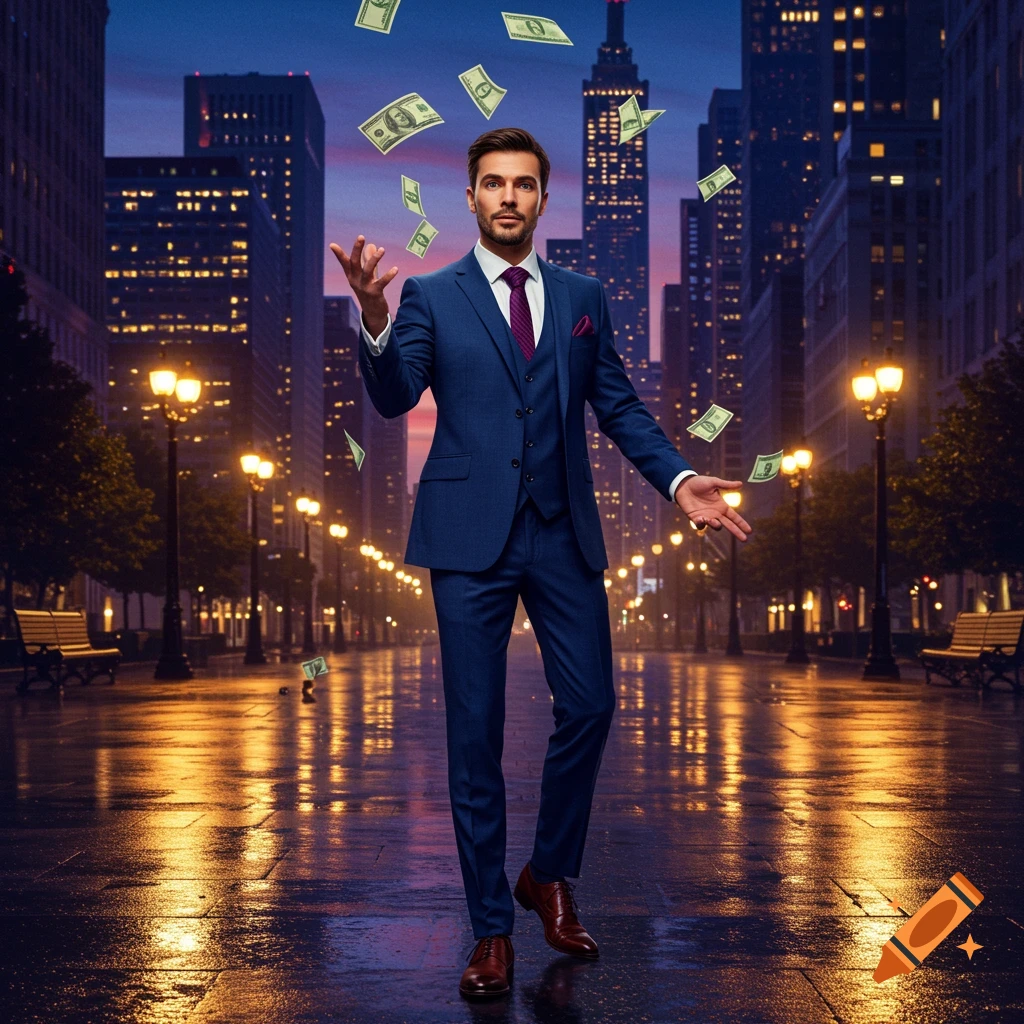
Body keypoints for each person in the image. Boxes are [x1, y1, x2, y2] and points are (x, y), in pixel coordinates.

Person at [330, 127, 751, 1001]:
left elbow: (619, 406)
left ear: (543, 199)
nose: (509, 197)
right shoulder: (431, 296)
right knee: (474, 734)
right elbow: (395, 396)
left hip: (562, 532)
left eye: (524, 184)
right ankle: (492, 928)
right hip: (466, 536)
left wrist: (679, 483)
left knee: (592, 704)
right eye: (494, 183)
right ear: (472, 197)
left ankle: (547, 873)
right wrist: (373, 316)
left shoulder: (583, 296)